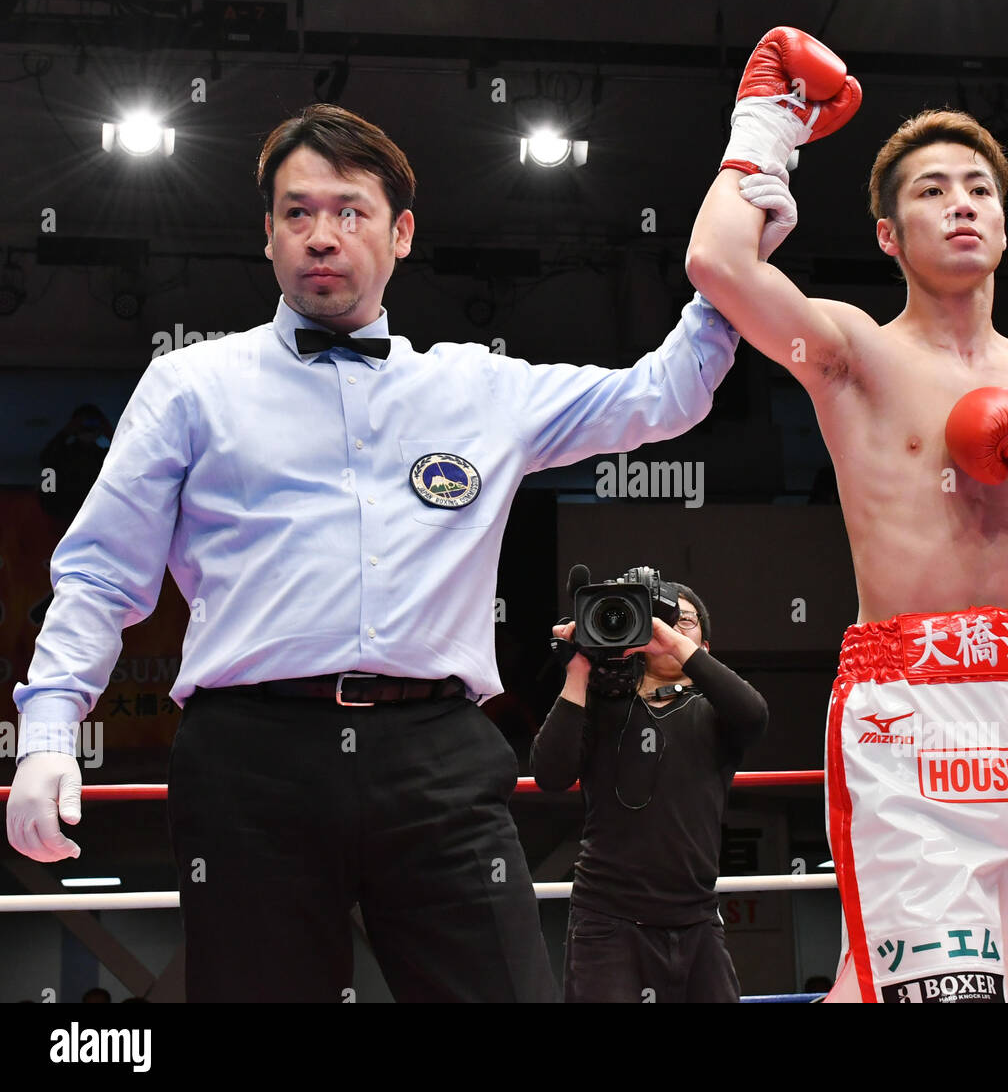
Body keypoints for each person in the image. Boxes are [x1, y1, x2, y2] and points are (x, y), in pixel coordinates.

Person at [6, 103, 742, 1003]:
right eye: (298, 212)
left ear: (399, 234)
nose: (322, 234)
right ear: (268, 237)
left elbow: (664, 396)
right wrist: (48, 735)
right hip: (250, 762)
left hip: (439, 757)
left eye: (349, 211)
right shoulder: (191, 386)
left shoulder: (480, 386)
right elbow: (99, 572)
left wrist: (739, 223)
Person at [685, 28, 1008, 1003]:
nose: (959, 202)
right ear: (888, 235)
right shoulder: (854, 355)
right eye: (929, 191)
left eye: (976, 186)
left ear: (1005, 222)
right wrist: (765, 125)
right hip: (906, 710)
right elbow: (718, 263)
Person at [530, 583, 767, 1002]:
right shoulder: (603, 704)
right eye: (655, 618)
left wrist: (669, 637)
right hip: (606, 920)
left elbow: (754, 714)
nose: (667, 626)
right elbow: (550, 774)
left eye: (684, 621)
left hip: (696, 918)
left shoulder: (715, 713)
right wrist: (579, 671)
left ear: (704, 647)